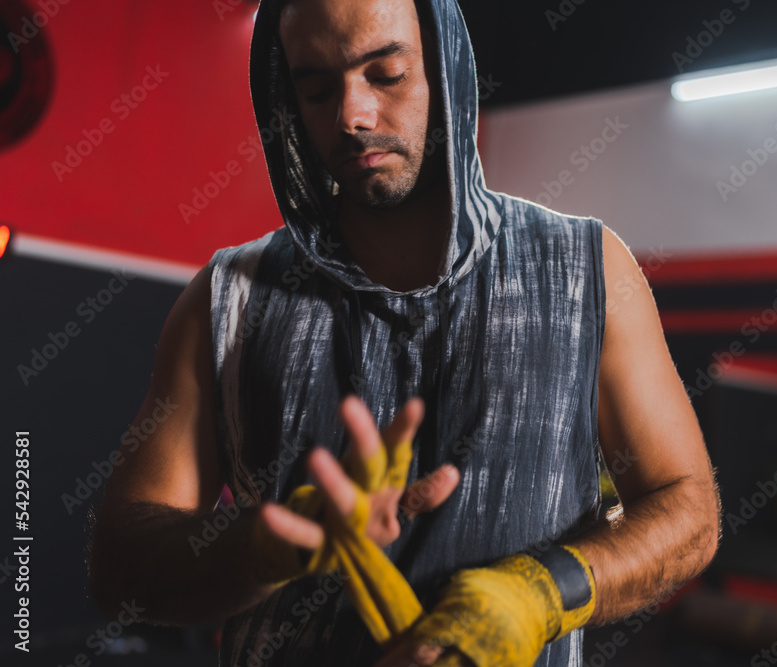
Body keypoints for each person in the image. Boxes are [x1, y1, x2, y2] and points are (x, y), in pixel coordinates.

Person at [88, 0, 721, 665]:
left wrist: (539, 593)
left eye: (385, 73)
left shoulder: (586, 270)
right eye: (316, 88)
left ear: (445, 67)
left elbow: (686, 509)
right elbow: (121, 562)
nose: (351, 116)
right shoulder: (228, 298)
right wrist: (267, 545)